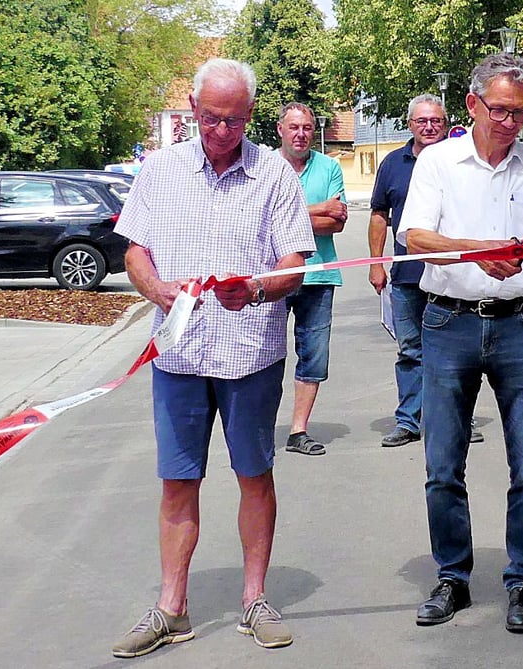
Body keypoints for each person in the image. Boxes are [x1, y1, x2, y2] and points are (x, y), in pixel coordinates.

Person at [111, 58, 316, 658]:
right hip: (177, 356)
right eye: (210, 118)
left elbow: (295, 265)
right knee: (178, 481)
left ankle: (255, 599)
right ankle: (172, 608)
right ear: (194, 110)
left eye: (233, 120)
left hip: (250, 352)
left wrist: (254, 289)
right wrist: (159, 291)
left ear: (251, 116)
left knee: (254, 475)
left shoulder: (275, 174)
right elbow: (136, 253)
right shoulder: (160, 169)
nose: (221, 131)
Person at [398, 53, 523, 633]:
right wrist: (480, 250)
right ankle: (452, 576)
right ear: (473, 104)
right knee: (442, 463)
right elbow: (416, 235)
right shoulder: (438, 161)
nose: (509, 122)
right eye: (498, 109)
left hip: (522, 323)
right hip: (448, 322)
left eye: (519, 113)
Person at [369, 94, 486, 446]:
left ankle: (458, 420)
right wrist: (377, 263)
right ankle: (408, 420)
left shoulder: (463, 161)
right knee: (410, 350)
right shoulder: (393, 163)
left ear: (446, 122)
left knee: (456, 351)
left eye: (436, 120)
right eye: (422, 121)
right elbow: (379, 214)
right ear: (410, 125)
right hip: (406, 277)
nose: (430, 126)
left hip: (453, 276)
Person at [277, 102, 349, 456]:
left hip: (319, 276)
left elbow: (336, 223)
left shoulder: (330, 167)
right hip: (274, 276)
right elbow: (261, 221)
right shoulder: (266, 167)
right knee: (265, 353)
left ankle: (298, 430)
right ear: (281, 129)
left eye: (306, 127)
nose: (301, 134)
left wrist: (289, 216)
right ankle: (258, 425)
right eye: (294, 127)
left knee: (314, 357)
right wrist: (318, 209)